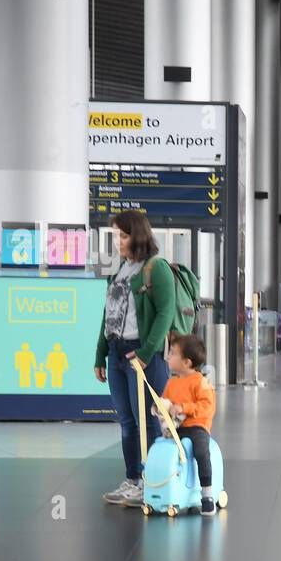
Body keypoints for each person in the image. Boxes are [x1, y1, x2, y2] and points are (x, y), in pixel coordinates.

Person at [94, 210, 176, 506]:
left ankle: (152, 480)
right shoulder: (122, 269)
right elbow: (109, 316)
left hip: (144, 354)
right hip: (117, 352)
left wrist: (145, 353)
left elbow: (165, 314)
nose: (119, 241)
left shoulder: (157, 268)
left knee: (148, 422)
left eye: (124, 235)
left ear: (138, 236)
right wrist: (100, 353)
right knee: (127, 421)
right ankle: (133, 480)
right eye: (117, 235)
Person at [160, 333, 219, 516]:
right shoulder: (171, 382)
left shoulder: (200, 382)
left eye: (172, 353)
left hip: (196, 426)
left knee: (201, 451)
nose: (168, 356)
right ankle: (166, 489)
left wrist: (184, 407)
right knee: (162, 449)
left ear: (186, 362)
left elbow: (207, 406)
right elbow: (166, 401)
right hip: (177, 427)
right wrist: (161, 407)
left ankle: (207, 494)